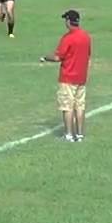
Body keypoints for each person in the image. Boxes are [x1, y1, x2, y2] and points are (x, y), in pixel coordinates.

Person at [40, 10, 92, 142]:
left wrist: (46, 57)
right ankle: (80, 134)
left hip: (68, 77)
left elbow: (58, 57)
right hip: (81, 77)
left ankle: (69, 134)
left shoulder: (68, 38)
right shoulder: (86, 36)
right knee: (80, 106)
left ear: (69, 21)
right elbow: (88, 54)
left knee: (67, 106)